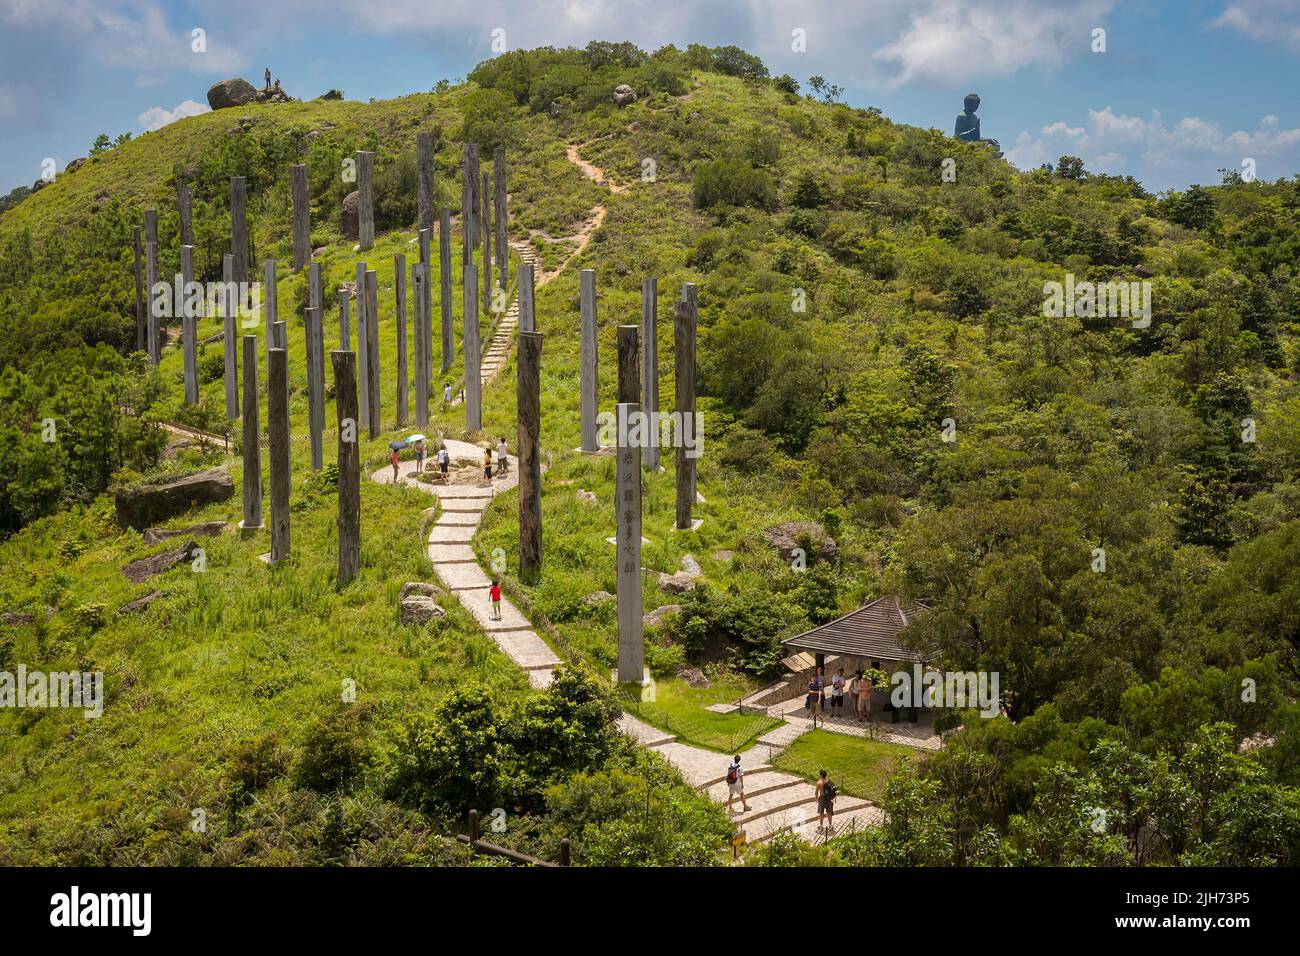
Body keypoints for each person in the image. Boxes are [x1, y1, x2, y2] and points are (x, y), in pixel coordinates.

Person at [815, 769, 836, 834]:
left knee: (821, 813)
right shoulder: (829, 781)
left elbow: (816, 792)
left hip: (822, 798)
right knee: (829, 812)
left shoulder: (819, 783)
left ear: (821, 775)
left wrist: (816, 799)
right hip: (829, 798)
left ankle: (821, 827)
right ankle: (830, 825)